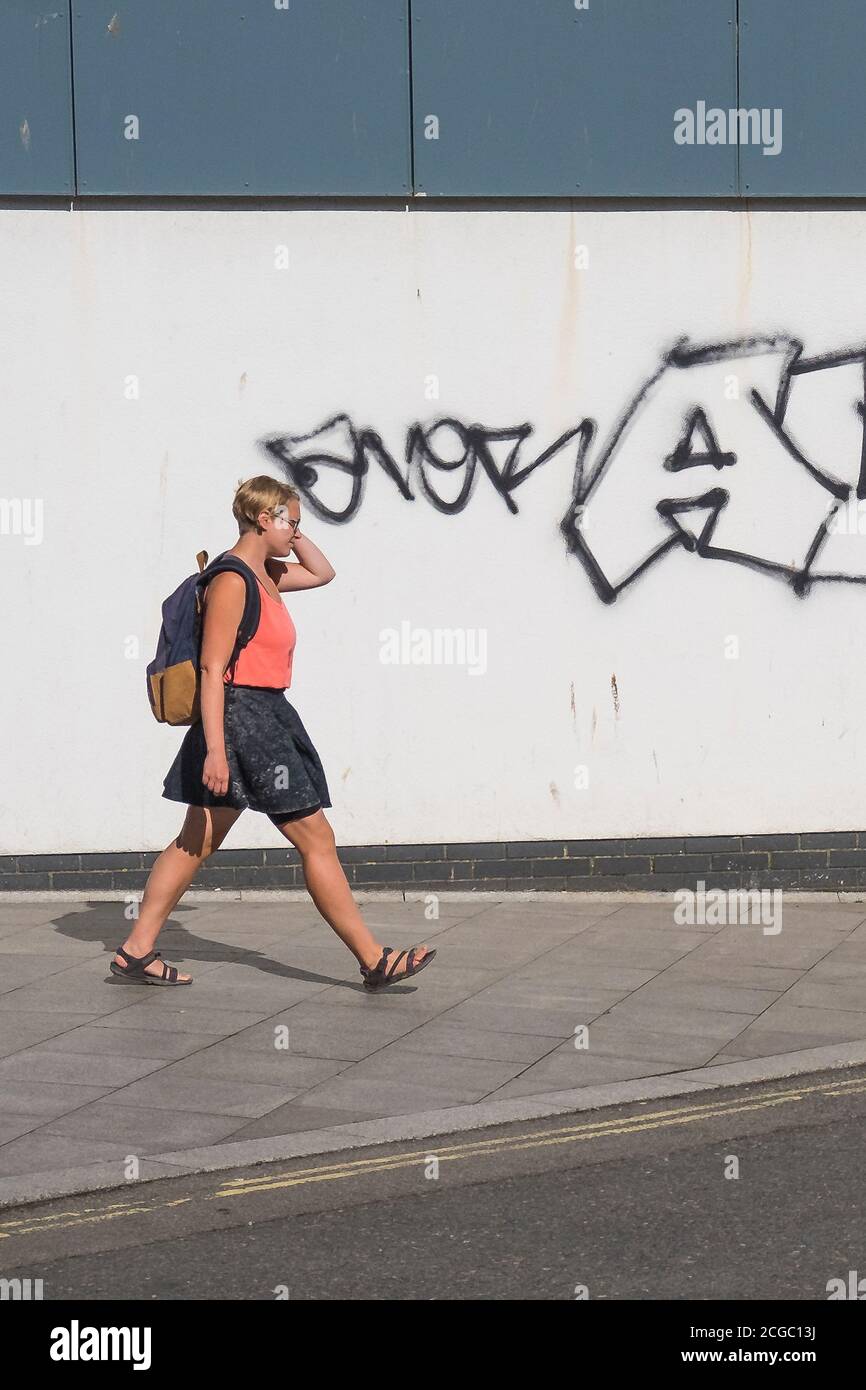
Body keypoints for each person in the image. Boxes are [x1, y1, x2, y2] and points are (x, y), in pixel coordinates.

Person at [111, 476, 435, 992]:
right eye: (290, 521)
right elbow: (213, 670)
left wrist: (293, 530)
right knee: (316, 838)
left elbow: (323, 572)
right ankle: (374, 959)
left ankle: (135, 950)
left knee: (197, 839)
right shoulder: (234, 580)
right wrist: (215, 751)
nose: (296, 532)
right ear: (264, 520)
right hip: (245, 722)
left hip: (263, 715)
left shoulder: (266, 574)